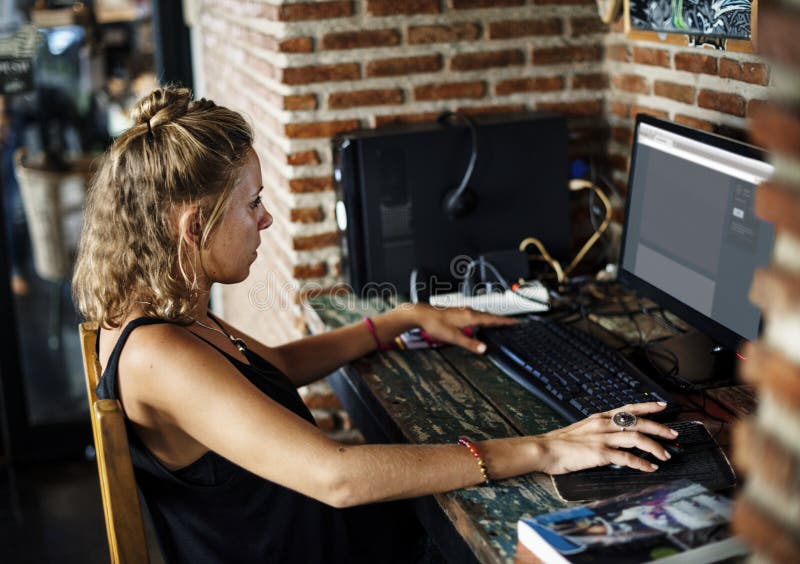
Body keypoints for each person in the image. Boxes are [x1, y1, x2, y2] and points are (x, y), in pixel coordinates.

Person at [72, 87, 679, 563]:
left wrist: (396, 321)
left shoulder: (165, 315)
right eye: (252, 203)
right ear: (192, 225)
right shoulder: (159, 355)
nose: (267, 220)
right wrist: (545, 448)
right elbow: (335, 478)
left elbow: (272, 369)